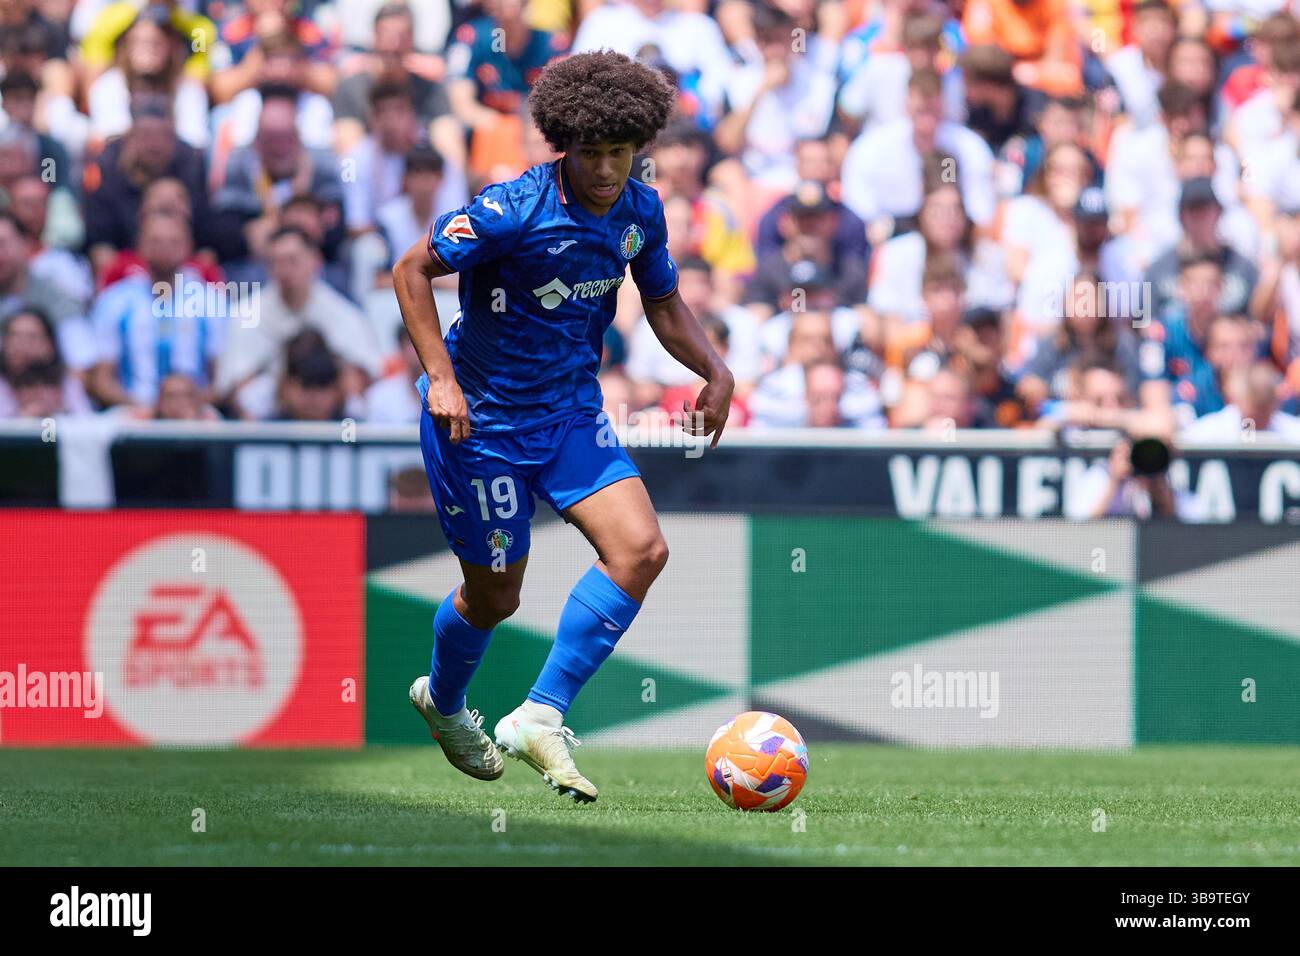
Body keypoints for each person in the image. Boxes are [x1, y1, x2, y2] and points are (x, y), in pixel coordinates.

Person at [391, 51, 732, 802]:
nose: (607, 169)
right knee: (495, 600)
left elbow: (665, 303)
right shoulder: (511, 209)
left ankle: (538, 715)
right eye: (592, 153)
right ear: (564, 144)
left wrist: (715, 371)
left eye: (620, 153)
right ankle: (444, 705)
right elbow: (411, 271)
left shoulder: (640, 208)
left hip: (570, 415)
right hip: (478, 427)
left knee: (641, 549)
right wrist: (441, 381)